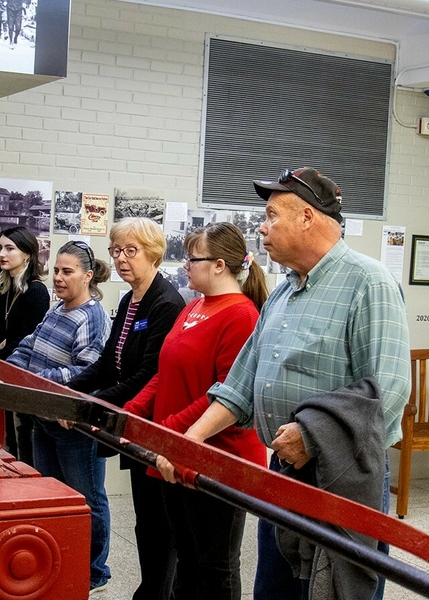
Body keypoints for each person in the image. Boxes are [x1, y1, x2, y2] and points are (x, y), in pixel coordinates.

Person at [170, 168, 410, 600]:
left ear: (306, 217)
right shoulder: (284, 292)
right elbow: (240, 384)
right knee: (277, 591)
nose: (261, 227)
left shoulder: (368, 282)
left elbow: (389, 390)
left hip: (342, 476)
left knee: (332, 591)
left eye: (270, 215)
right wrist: (192, 438)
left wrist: (314, 438)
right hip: (282, 473)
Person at [125, 222, 268, 600]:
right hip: (174, 451)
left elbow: (224, 394)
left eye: (192, 258)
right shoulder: (193, 307)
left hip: (217, 457)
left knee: (215, 566)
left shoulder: (241, 316)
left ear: (219, 265)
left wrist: (167, 430)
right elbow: (164, 371)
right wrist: (134, 411)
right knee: (186, 559)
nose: (184, 265)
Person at [67, 217, 186, 599]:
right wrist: (68, 389)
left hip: (153, 421)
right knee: (145, 522)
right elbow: (107, 363)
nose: (120, 258)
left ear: (153, 254)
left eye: (130, 251)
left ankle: (156, 591)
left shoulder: (166, 302)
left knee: (157, 522)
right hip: (130, 421)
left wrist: (94, 403)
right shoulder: (128, 298)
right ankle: (152, 588)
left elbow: (150, 373)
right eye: (115, 251)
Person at [7, 241, 113, 593]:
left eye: (67, 272)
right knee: (52, 496)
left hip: (71, 425)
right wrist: (10, 371)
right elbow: (30, 345)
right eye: (55, 270)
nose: (58, 277)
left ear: (88, 275)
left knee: (87, 498)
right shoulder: (57, 309)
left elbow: (86, 370)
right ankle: (60, 560)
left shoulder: (92, 317)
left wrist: (35, 383)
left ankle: (95, 570)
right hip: (43, 418)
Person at [0, 226, 50, 464]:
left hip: (23, 375)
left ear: (27, 254)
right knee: (6, 436)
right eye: (0, 248)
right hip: (7, 371)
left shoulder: (37, 292)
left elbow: (23, 343)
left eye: (10, 248)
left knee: (22, 440)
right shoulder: (6, 287)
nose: (2, 253)